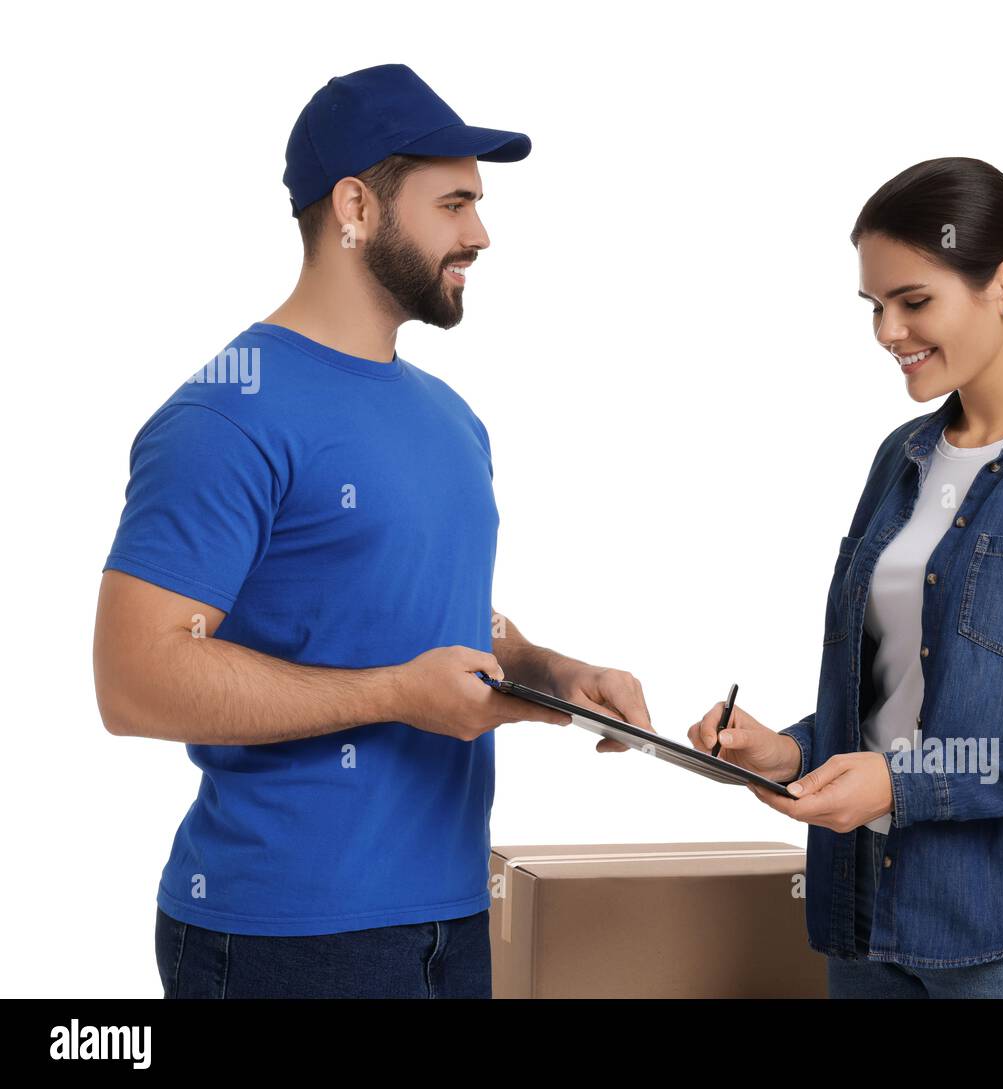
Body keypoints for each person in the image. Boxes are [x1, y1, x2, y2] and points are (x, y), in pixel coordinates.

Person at [93, 63, 653, 999]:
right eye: (454, 203)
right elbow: (134, 678)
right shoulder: (227, 414)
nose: (481, 232)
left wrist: (554, 674)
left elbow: (429, 609)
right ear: (356, 205)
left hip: (453, 914)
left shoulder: (449, 415)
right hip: (285, 937)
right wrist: (396, 693)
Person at [689, 157, 1003, 999]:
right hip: (866, 932)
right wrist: (790, 750)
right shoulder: (903, 458)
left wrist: (905, 785)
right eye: (874, 307)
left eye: (912, 301)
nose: (887, 331)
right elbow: (898, 697)